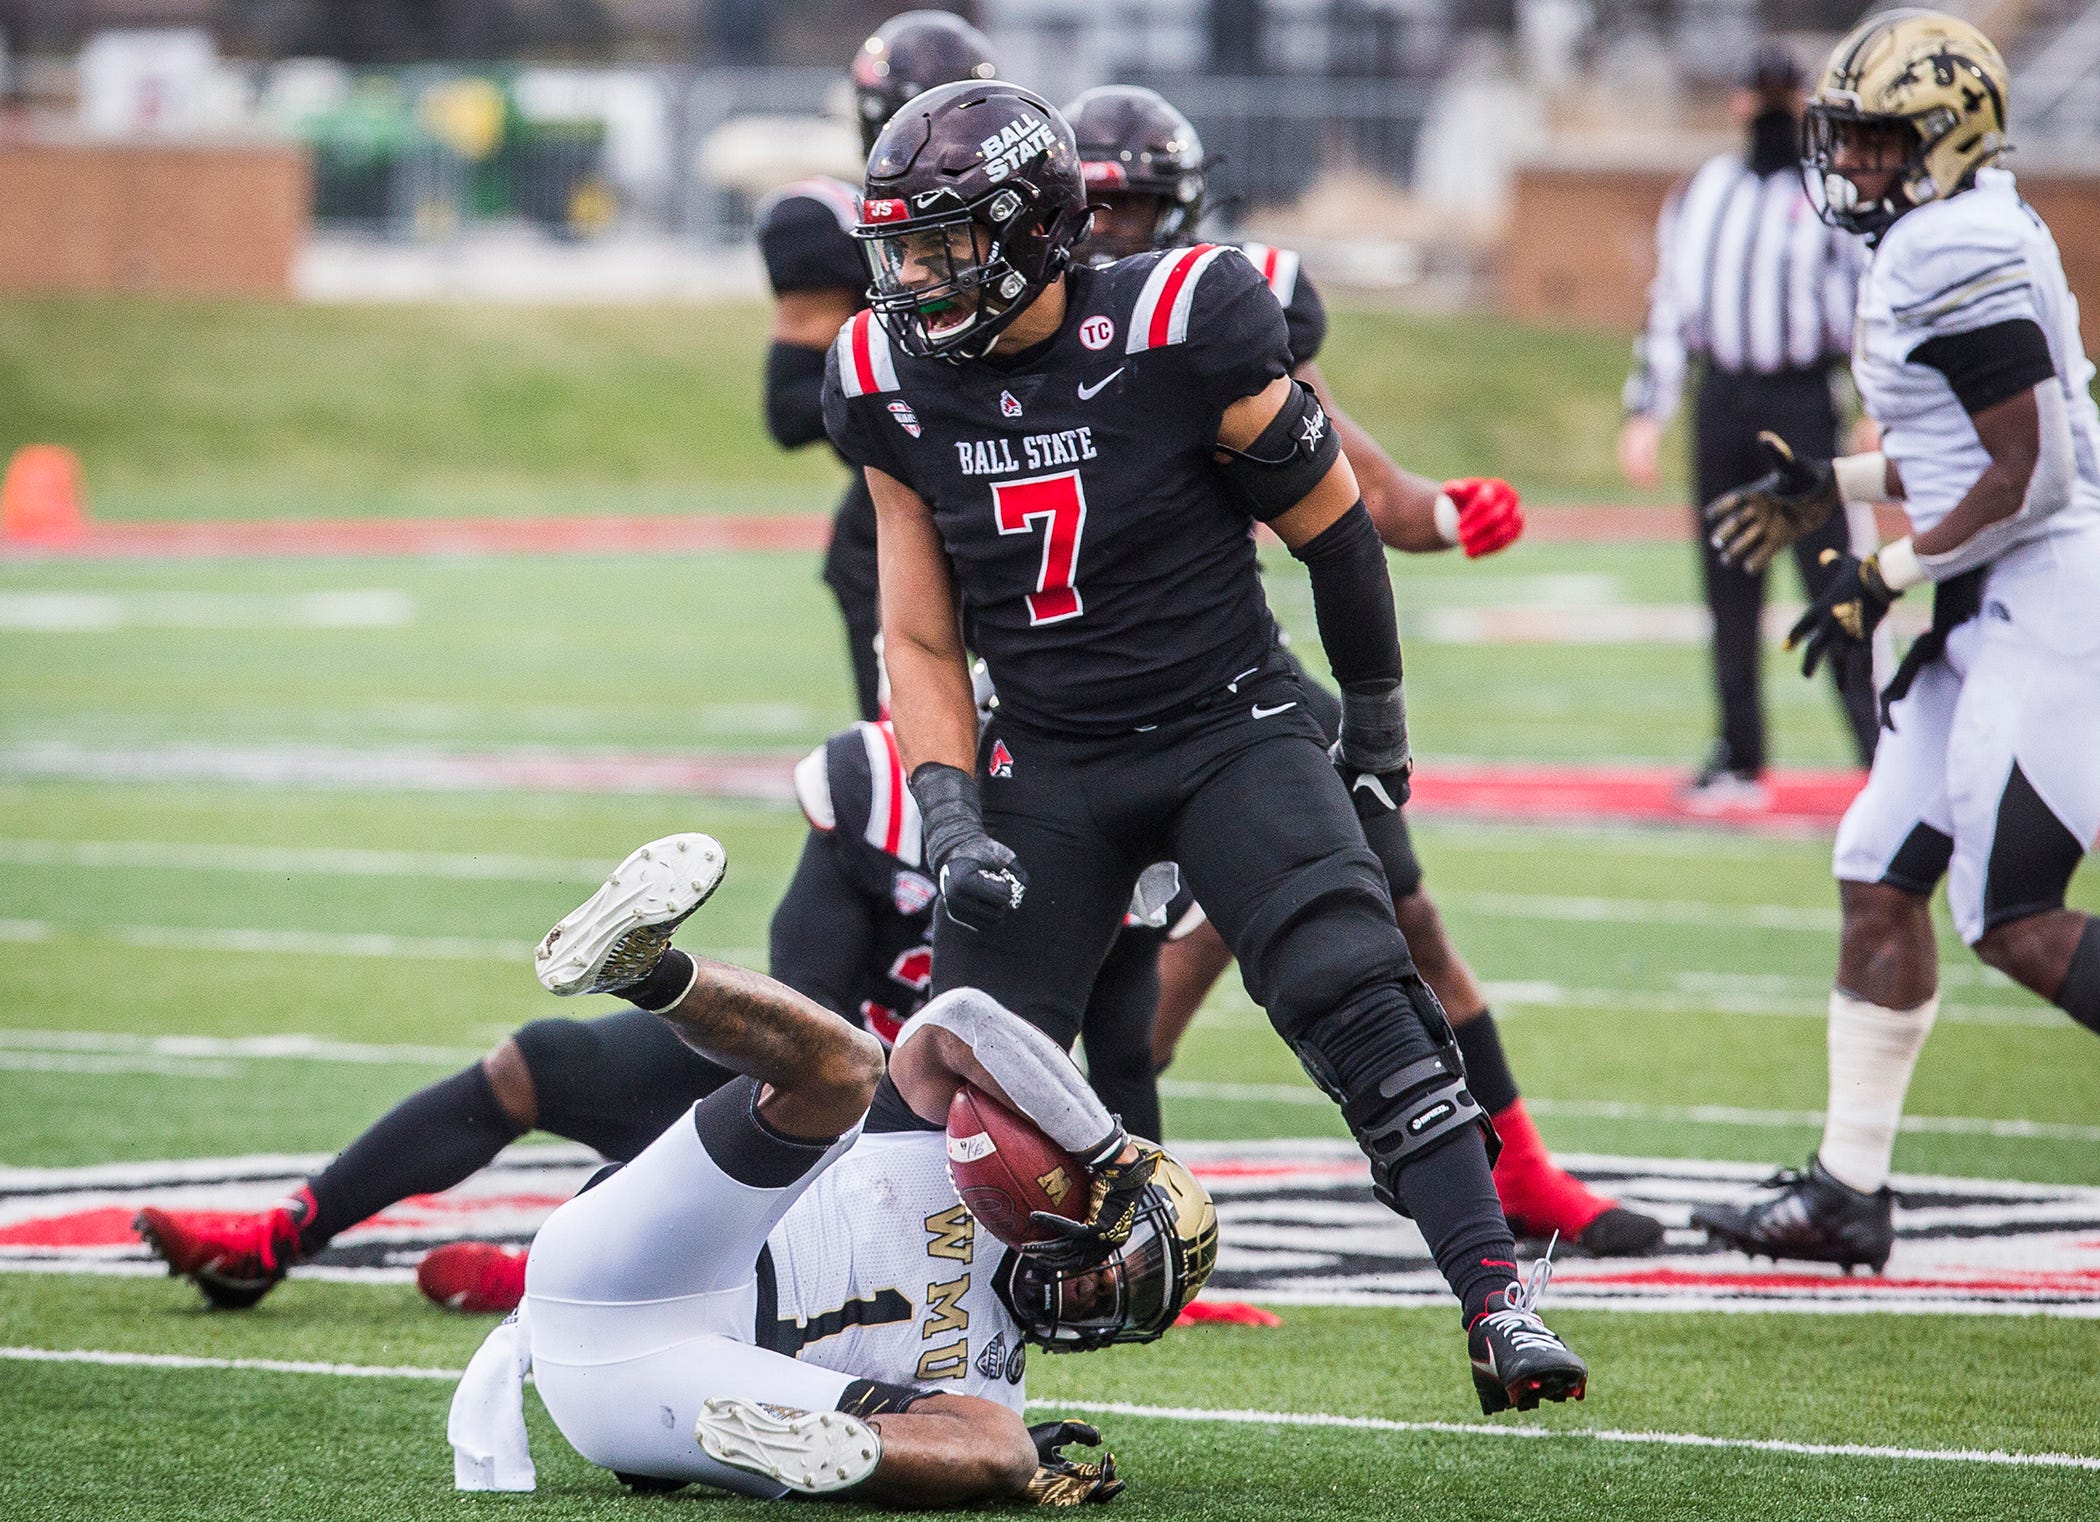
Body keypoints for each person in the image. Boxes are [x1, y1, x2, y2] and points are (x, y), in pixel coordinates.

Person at [823, 80, 1587, 1413]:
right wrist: (947, 811)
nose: (920, 281)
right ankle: (907, 1372)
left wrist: (1375, 722)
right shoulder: (886, 379)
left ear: (1039, 229)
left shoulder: (1182, 323)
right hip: (1049, 755)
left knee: (1355, 984)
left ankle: (1495, 1299)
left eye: (948, 245)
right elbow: (923, 636)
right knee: (956, 1058)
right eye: (905, 250)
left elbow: (1337, 531)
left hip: (1226, 724)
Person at [1066, 83, 1661, 1256]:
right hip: (1070, 695)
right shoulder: (997, 333)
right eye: (1090, 206)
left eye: (1128, 206)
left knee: (1400, 909)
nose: (1106, 231)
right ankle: (1096, 1195)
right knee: (1111, 964)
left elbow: (1347, 482)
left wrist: (1441, 511)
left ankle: (1517, 1170)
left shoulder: (1218, 311)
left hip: (1227, 677)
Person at [133, 716, 1178, 1313]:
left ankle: (558, 1275)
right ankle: (279, 1236)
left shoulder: (1117, 811)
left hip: (949, 1134)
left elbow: (1122, 1055)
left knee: (755, 1237)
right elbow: (807, 986)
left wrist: (1140, 1228)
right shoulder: (873, 775)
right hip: (831, 1072)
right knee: (537, 1063)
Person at [1690, 11, 2100, 1271]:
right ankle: (1848, 1190)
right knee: (1877, 871)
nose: (1850, 161)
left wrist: (1885, 569)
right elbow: (1967, 449)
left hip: (2052, 592)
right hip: (1999, 586)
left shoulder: (1955, 244)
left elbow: (2031, 473)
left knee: (2013, 912)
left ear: (1947, 139)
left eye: (1877, 140)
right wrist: (1839, 482)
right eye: (1848, 137)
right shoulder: (1948, 229)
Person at [449, 832, 1214, 1503]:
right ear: (1093, 1199)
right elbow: (961, 1018)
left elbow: (992, 1450)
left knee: (1004, 1448)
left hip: (663, 1394)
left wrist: (990, 1472)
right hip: (632, 1262)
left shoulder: (992, 1395)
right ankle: (644, 969)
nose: (1095, 1289)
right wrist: (1107, 1146)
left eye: (1122, 1301)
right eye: (1118, 1263)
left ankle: (821, 1448)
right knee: (851, 1066)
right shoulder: (955, 1153)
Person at [1619, 44, 1881, 809]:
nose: (1768, 110)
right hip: (1725, 397)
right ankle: (1739, 753)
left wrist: (1876, 405)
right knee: (1727, 577)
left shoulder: (1833, 194)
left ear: (1802, 102)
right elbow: (1671, 304)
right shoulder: (1704, 191)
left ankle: (1881, 754)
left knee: (1832, 575)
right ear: (1737, 102)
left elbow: (1872, 305)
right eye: (1758, 95)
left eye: (1780, 96)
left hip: (1801, 402)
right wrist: (1648, 409)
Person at [756, 10, 999, 720]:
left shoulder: (1029, 208)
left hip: (1029, 499)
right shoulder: (827, 223)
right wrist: (914, 400)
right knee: (920, 748)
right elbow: (790, 407)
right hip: (907, 517)